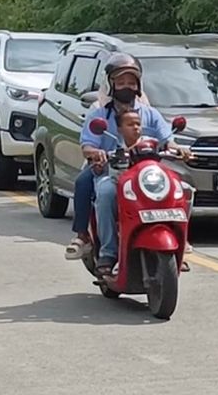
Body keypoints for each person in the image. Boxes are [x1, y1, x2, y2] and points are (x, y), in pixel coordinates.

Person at [66, 53, 191, 276]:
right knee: (102, 192)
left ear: (139, 85)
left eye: (131, 82)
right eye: (121, 82)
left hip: (145, 174)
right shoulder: (99, 115)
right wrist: (96, 153)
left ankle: (181, 243)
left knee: (183, 189)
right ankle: (105, 250)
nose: (127, 86)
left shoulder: (150, 114)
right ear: (111, 84)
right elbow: (87, 145)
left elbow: (167, 138)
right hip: (111, 171)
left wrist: (179, 149)